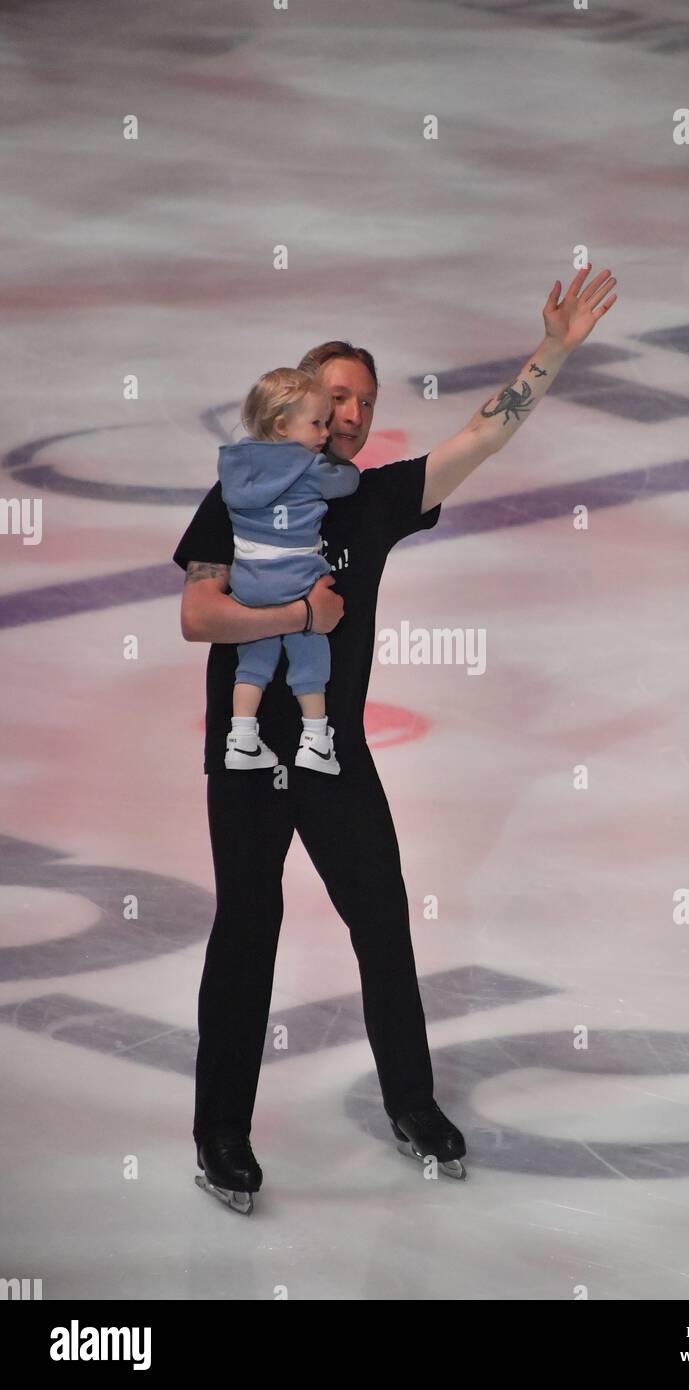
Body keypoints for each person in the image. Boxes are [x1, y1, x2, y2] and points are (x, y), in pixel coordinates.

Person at [174, 264, 618, 1213]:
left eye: (365, 403)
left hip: (334, 756)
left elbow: (482, 436)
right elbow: (198, 617)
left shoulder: (373, 501)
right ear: (298, 398)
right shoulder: (238, 495)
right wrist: (297, 611)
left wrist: (552, 352)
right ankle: (222, 1138)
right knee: (250, 930)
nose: (351, 414)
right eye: (337, 395)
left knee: (381, 918)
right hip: (248, 755)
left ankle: (411, 1106)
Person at [218, 368, 360, 775]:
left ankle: (242, 737)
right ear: (282, 426)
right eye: (316, 423)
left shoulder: (236, 465)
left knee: (255, 652)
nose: (325, 433)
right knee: (309, 646)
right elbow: (346, 482)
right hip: (296, 576)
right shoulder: (309, 467)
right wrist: (338, 466)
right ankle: (316, 739)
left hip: (249, 579)